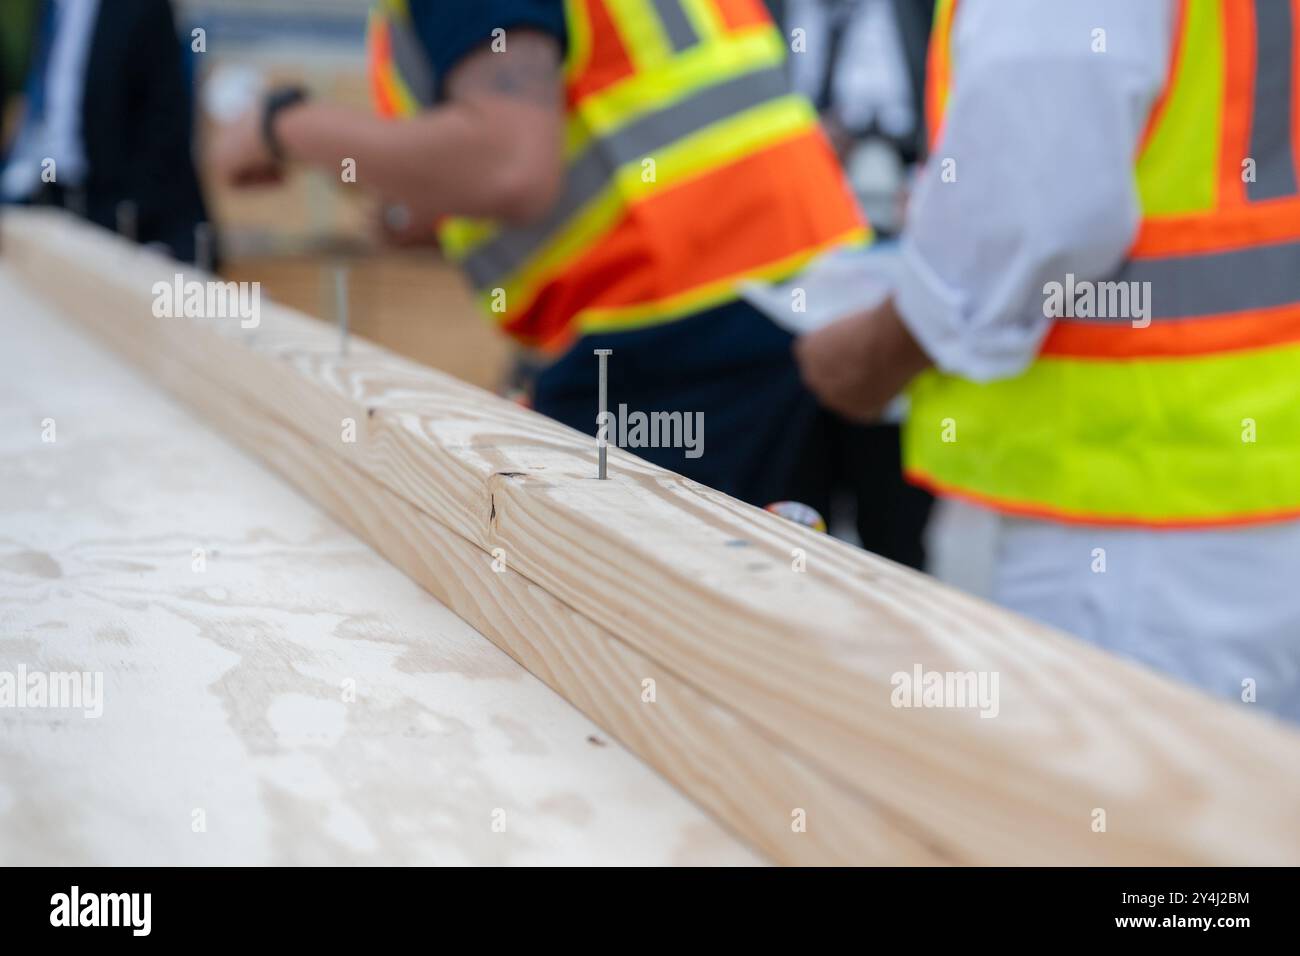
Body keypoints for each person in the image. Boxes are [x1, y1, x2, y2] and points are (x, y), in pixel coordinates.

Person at [796, 0, 1300, 723]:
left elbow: (1033, 212)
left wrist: (877, 352)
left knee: (1104, 823)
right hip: (1237, 494)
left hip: (1129, 515)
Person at [211, 0, 867, 512]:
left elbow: (508, 166)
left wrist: (283, 128)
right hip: (797, 295)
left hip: (684, 326)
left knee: (586, 630)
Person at [0, 0, 209, 263]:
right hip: (35, 190)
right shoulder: (51, 7)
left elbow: (163, 135)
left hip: (104, 203)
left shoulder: (142, 9)